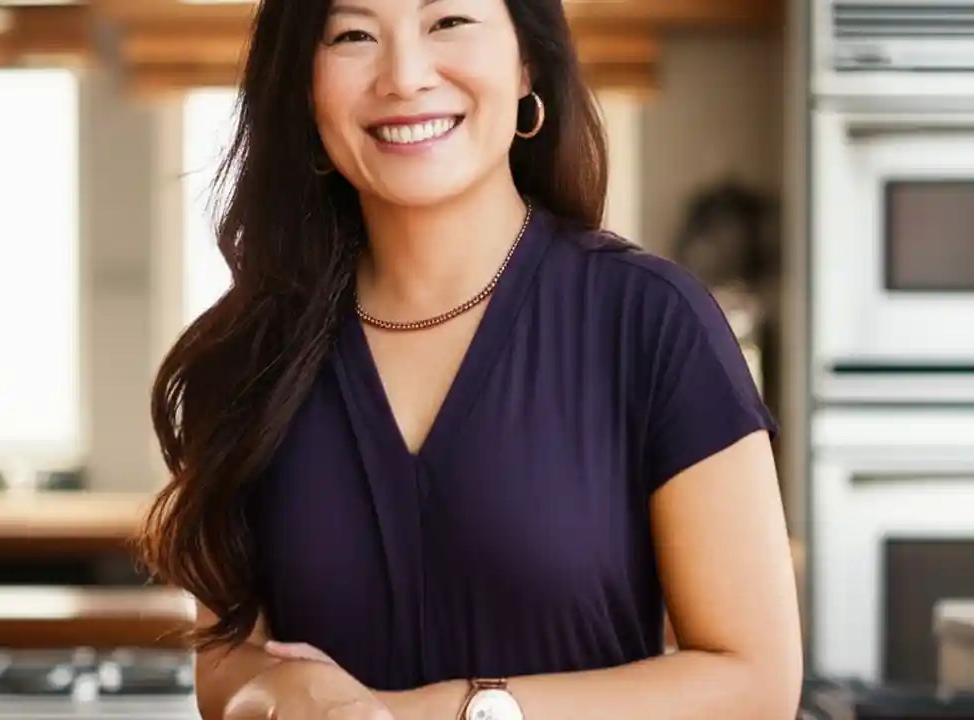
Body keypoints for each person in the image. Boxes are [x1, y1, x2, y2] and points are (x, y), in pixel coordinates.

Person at [140, 0, 803, 718]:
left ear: (527, 63)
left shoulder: (655, 322)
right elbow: (226, 660)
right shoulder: (244, 357)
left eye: (448, 21)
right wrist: (276, 688)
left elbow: (755, 682)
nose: (405, 76)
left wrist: (453, 710)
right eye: (353, 35)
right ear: (304, 85)